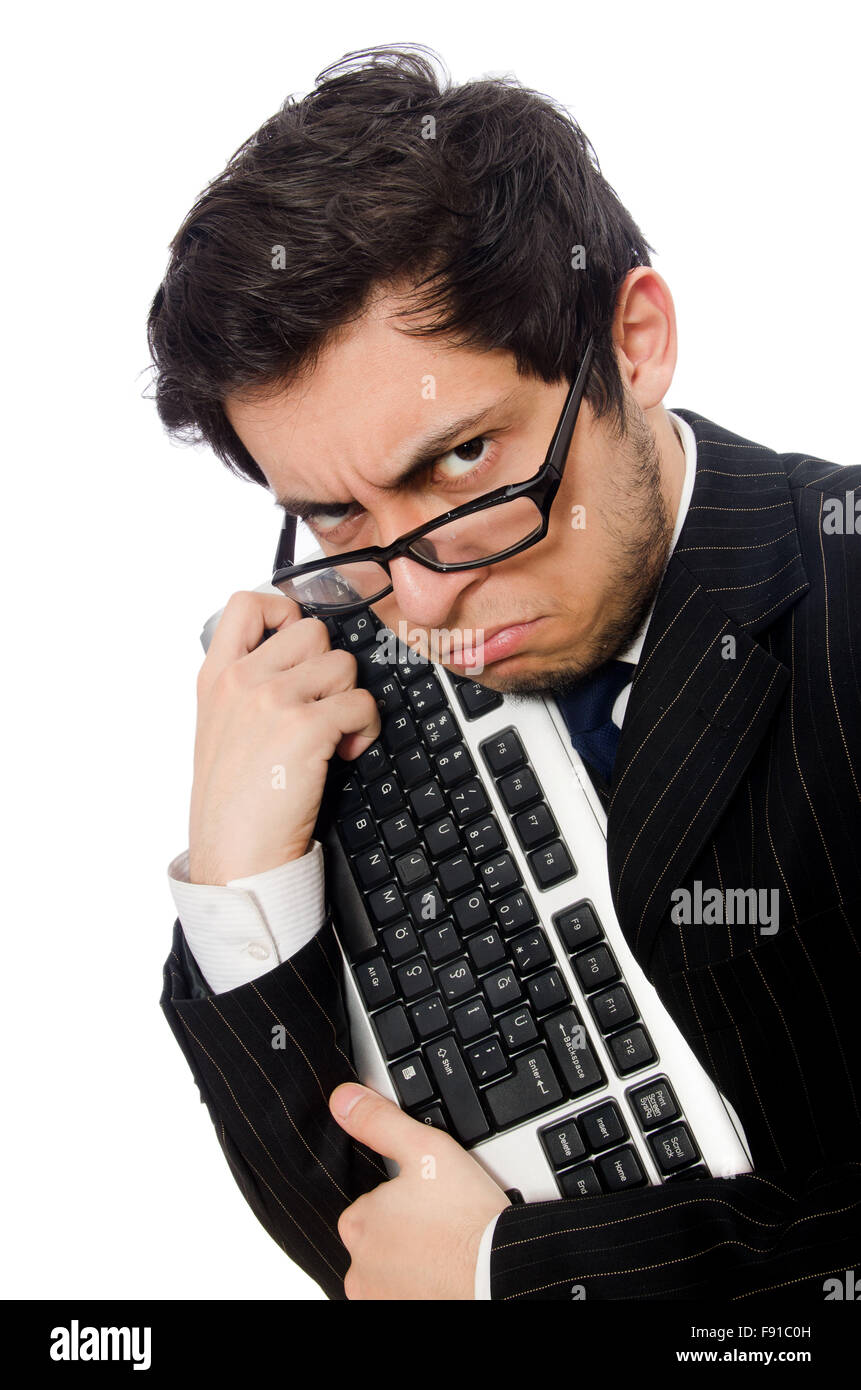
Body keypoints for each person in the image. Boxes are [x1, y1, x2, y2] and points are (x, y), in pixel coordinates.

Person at [147, 44, 861, 1300]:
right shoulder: (337, 679)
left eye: (465, 461)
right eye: (334, 518)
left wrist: (521, 1273)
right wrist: (238, 878)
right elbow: (374, 1252)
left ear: (632, 344)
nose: (421, 601)